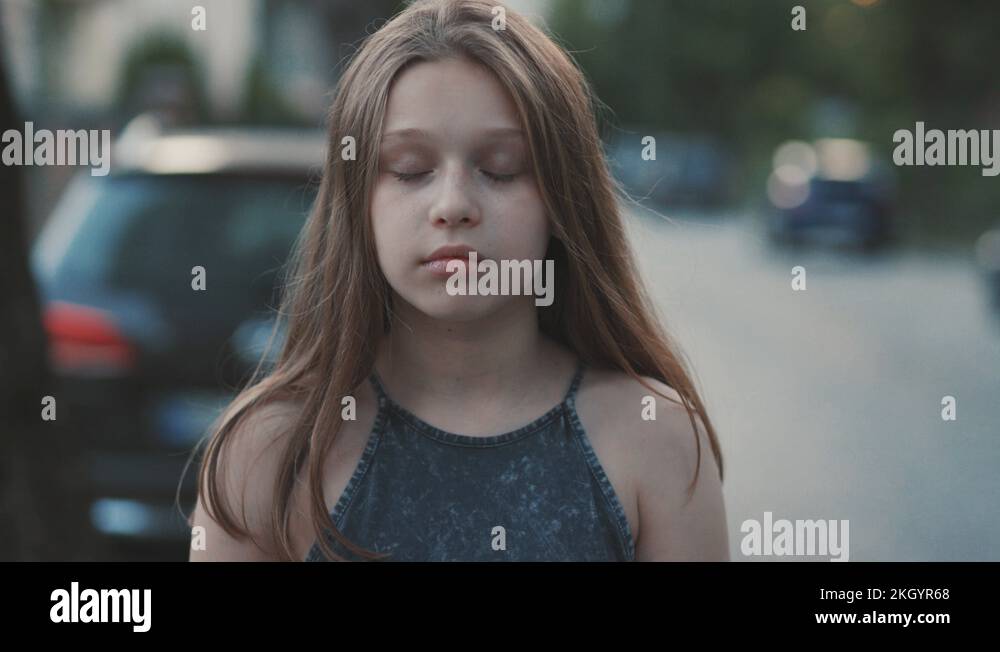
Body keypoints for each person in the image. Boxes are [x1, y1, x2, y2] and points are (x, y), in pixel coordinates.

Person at [188, 0, 728, 562]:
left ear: (563, 197)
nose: (453, 205)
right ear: (357, 202)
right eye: (410, 169)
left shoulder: (656, 438)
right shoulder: (266, 453)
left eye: (500, 167)